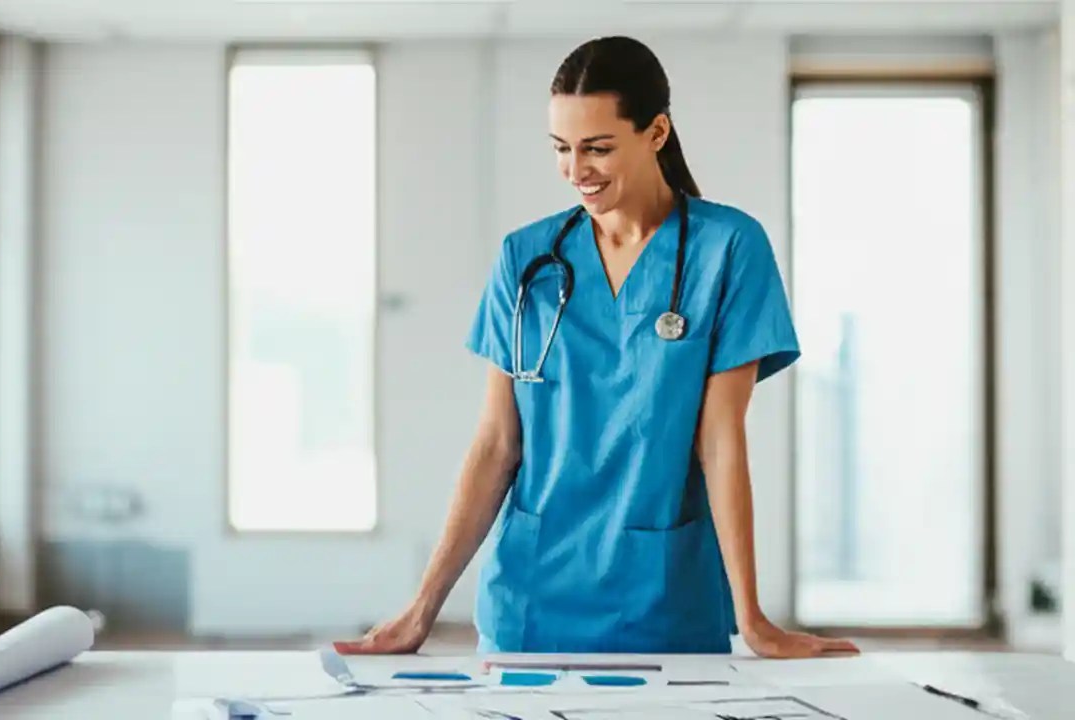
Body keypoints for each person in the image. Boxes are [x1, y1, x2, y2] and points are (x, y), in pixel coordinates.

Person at [337, 36, 860, 658]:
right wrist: (420, 611)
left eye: (598, 148)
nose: (575, 169)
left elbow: (720, 438)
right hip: (529, 600)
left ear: (657, 132)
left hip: (662, 600)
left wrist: (753, 620)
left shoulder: (729, 250)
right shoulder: (526, 260)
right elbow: (497, 445)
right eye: (561, 148)